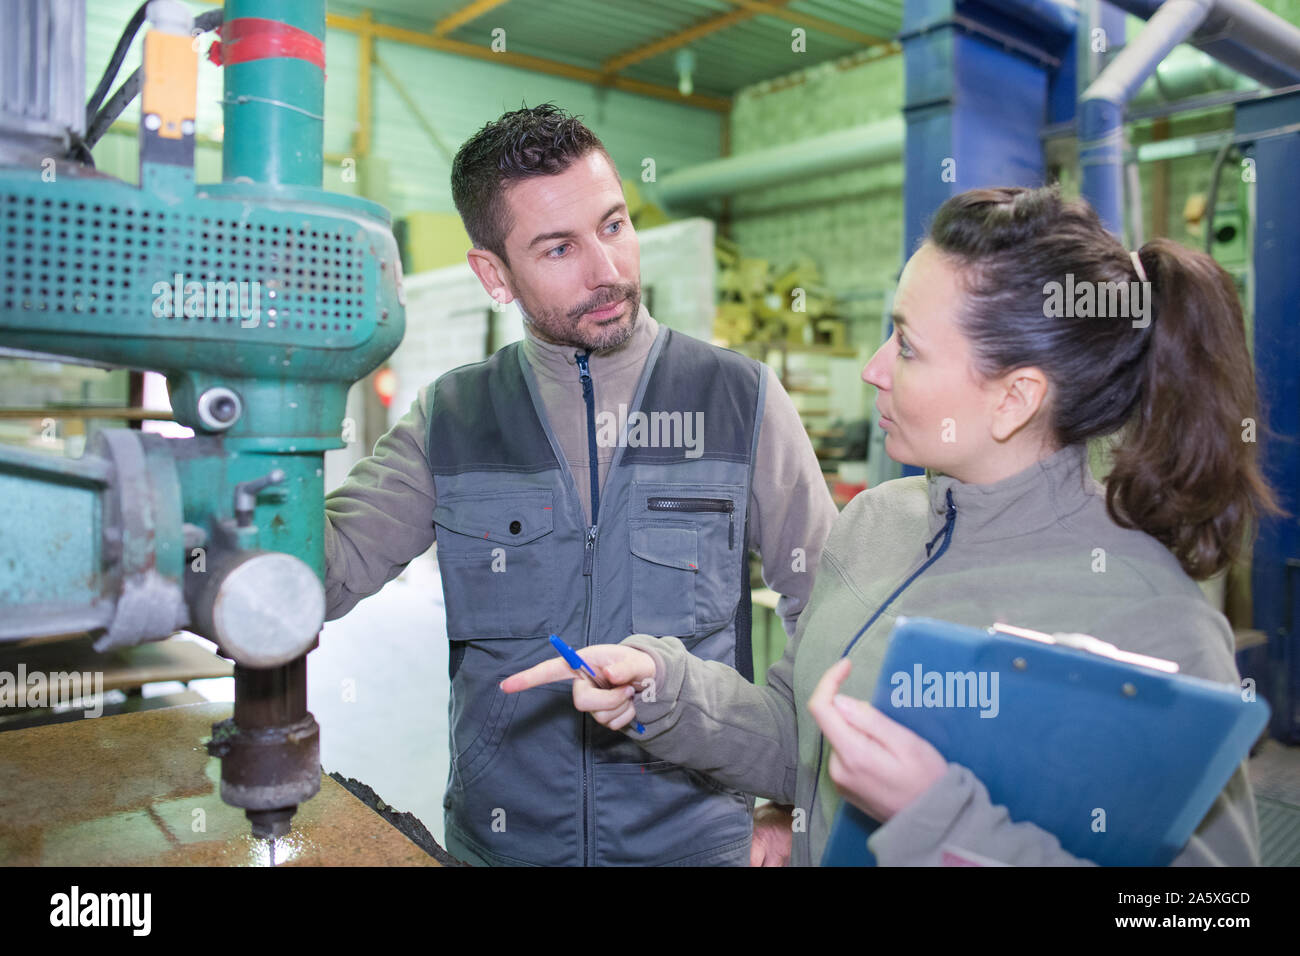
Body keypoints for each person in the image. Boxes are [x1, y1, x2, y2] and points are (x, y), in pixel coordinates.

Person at [504, 184, 1279, 866]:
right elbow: (803, 739)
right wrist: (665, 690)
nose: (874, 367)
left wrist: (938, 821)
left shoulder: (1153, 621)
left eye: (906, 344)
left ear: (1014, 398)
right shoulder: (877, 522)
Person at [322, 104, 838, 866]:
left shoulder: (740, 399)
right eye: (559, 248)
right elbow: (318, 578)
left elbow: (828, 613)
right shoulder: (453, 419)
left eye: (615, 225)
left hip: (693, 847)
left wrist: (793, 793)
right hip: (502, 847)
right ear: (494, 273)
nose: (609, 271)